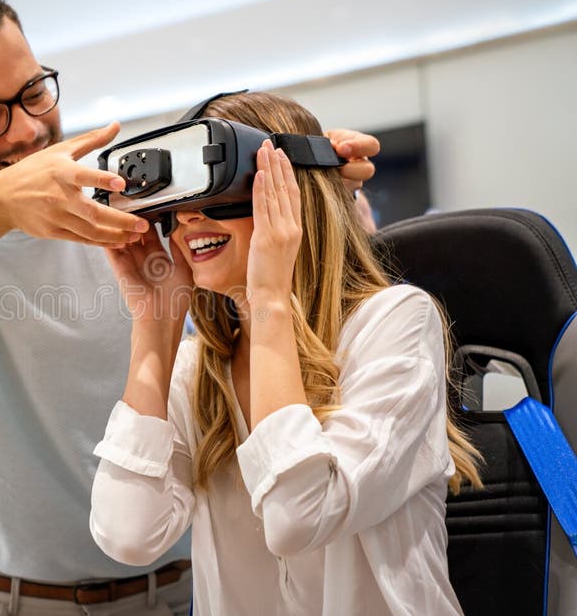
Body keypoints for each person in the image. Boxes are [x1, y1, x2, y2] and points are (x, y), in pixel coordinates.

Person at [0, 0, 381, 615]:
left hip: (182, 591)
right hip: (7, 602)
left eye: (33, 92)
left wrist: (311, 174)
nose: (28, 130)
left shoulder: (127, 187)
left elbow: (287, 283)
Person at [89, 90, 482, 615]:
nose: (188, 220)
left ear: (291, 193)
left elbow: (298, 516)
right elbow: (127, 535)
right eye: (175, 206)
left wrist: (268, 302)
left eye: (215, 190)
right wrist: (154, 328)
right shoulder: (196, 370)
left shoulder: (395, 324)